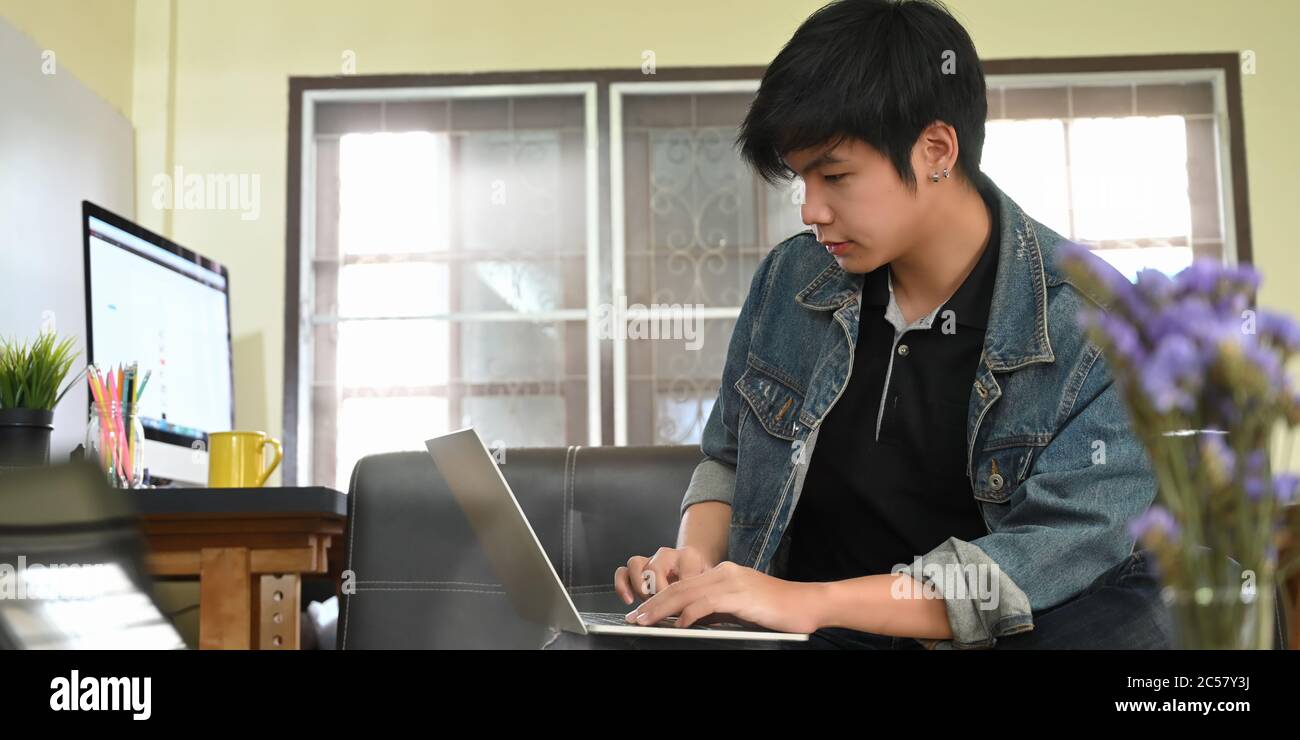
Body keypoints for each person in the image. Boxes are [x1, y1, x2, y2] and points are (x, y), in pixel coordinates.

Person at [563, 0, 1175, 651]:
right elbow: (731, 457)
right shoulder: (790, 281)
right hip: (811, 637)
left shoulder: (1100, 325)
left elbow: (1037, 564)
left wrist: (804, 601)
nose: (811, 210)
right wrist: (698, 560)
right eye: (802, 179)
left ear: (936, 149)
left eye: (835, 176)